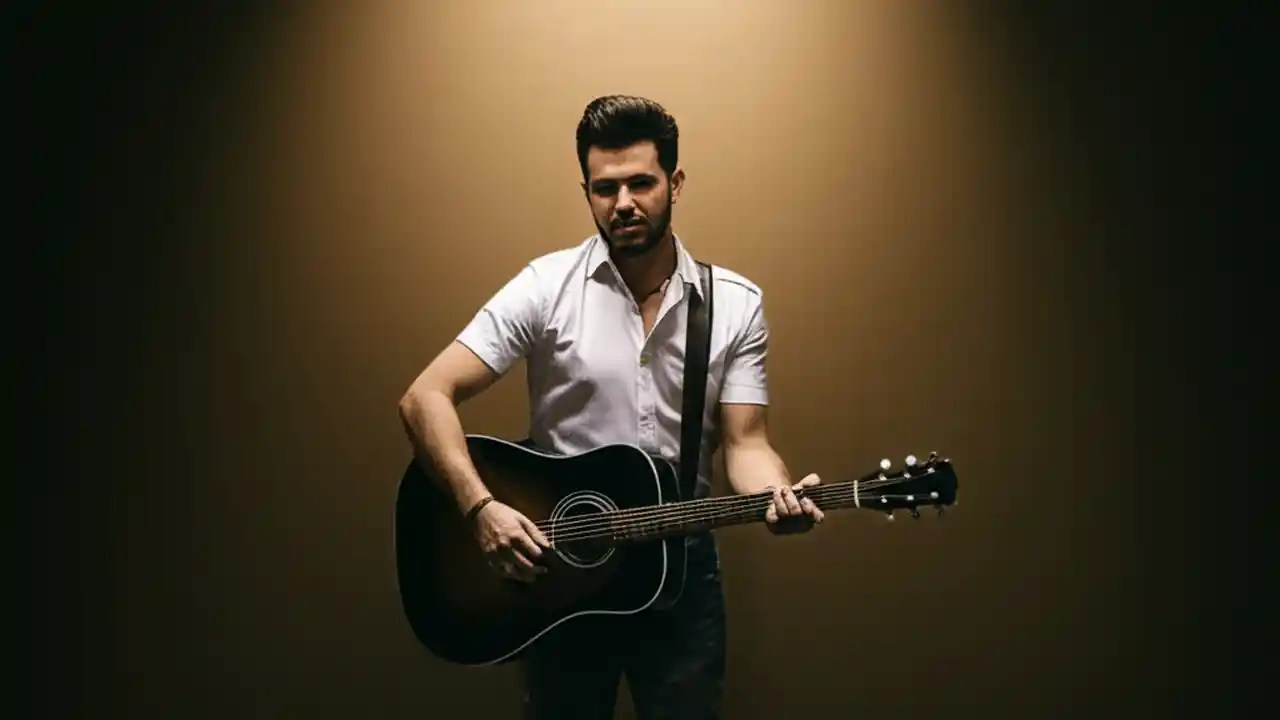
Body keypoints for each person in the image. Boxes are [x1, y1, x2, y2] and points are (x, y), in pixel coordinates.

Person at [397, 94, 824, 719]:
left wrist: (775, 496)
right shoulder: (546, 288)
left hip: (680, 569)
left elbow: (746, 443)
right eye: (605, 188)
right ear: (587, 191)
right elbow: (424, 396)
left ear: (675, 182)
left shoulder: (734, 304)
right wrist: (479, 507)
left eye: (641, 183)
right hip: (560, 570)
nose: (623, 203)